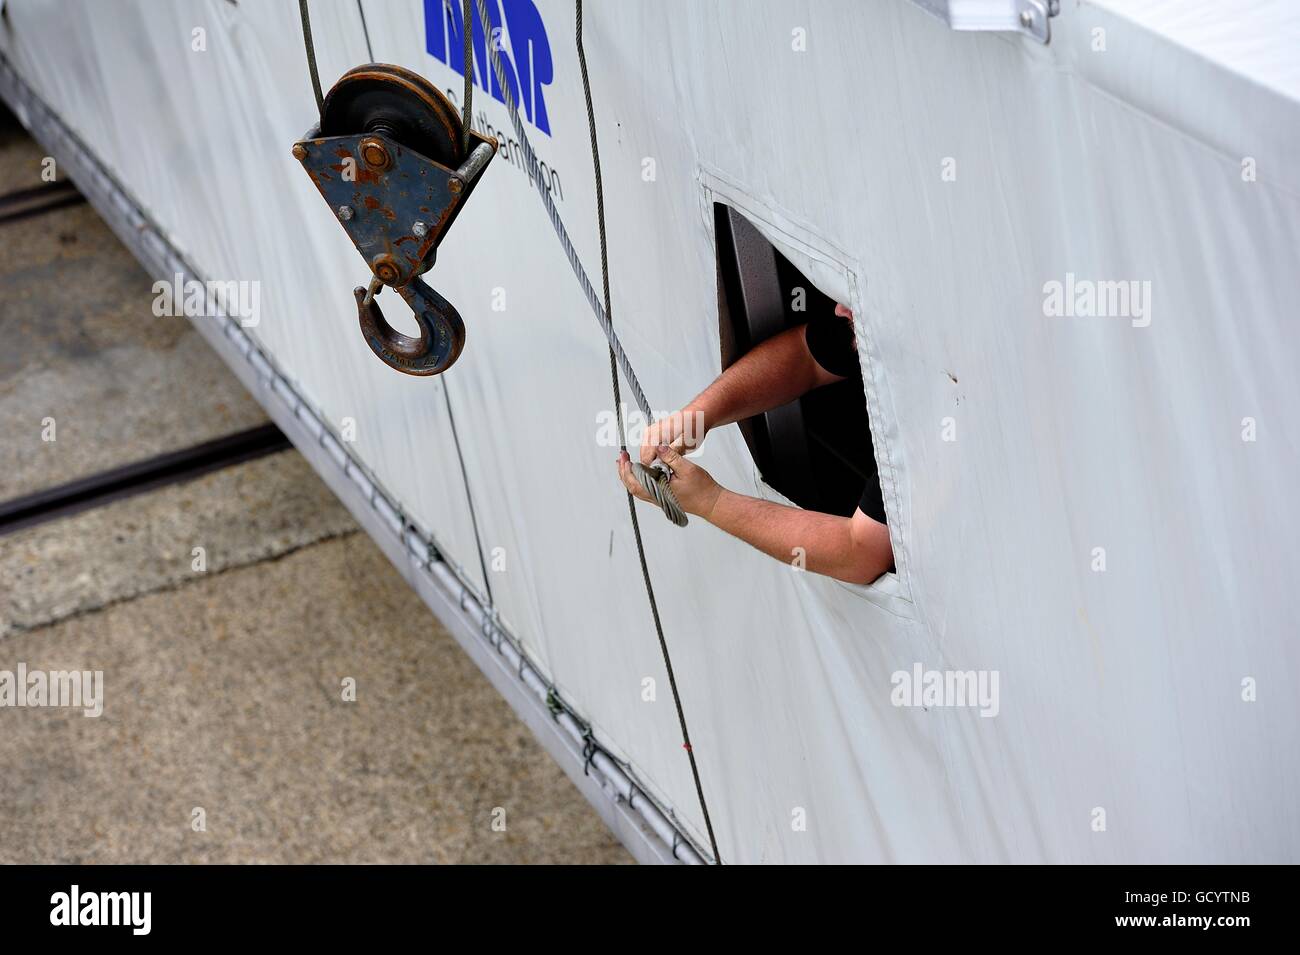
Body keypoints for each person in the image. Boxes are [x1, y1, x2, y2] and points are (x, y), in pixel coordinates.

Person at [615, 304, 894, 585]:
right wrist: (699, 416)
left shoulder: (930, 426)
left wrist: (711, 503)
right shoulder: (886, 319)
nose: (839, 308)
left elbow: (862, 552)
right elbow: (806, 356)